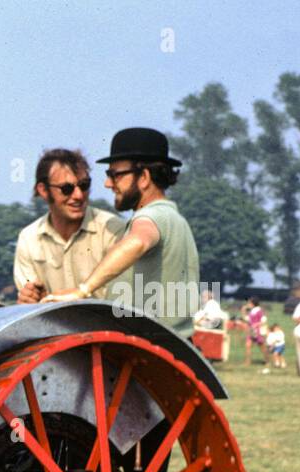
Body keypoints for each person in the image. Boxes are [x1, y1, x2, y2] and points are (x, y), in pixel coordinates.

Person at [43, 128, 200, 336]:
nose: (108, 184)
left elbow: (138, 242)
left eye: (114, 175)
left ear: (143, 177)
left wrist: (83, 290)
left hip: (149, 353)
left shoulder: (153, 216)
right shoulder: (174, 219)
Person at [14, 148, 123, 303]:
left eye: (84, 185)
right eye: (67, 189)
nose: (78, 195)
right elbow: (29, 301)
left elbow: (121, 298)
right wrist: (29, 299)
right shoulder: (28, 239)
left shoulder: (112, 229)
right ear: (43, 190)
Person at [242, 296, 267, 364]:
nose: (248, 304)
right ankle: (247, 361)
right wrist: (243, 311)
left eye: (249, 303)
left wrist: (256, 325)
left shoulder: (259, 310)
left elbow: (263, 320)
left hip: (258, 332)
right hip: (251, 331)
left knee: (262, 347)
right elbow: (247, 320)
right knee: (248, 345)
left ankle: (267, 360)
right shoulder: (251, 311)